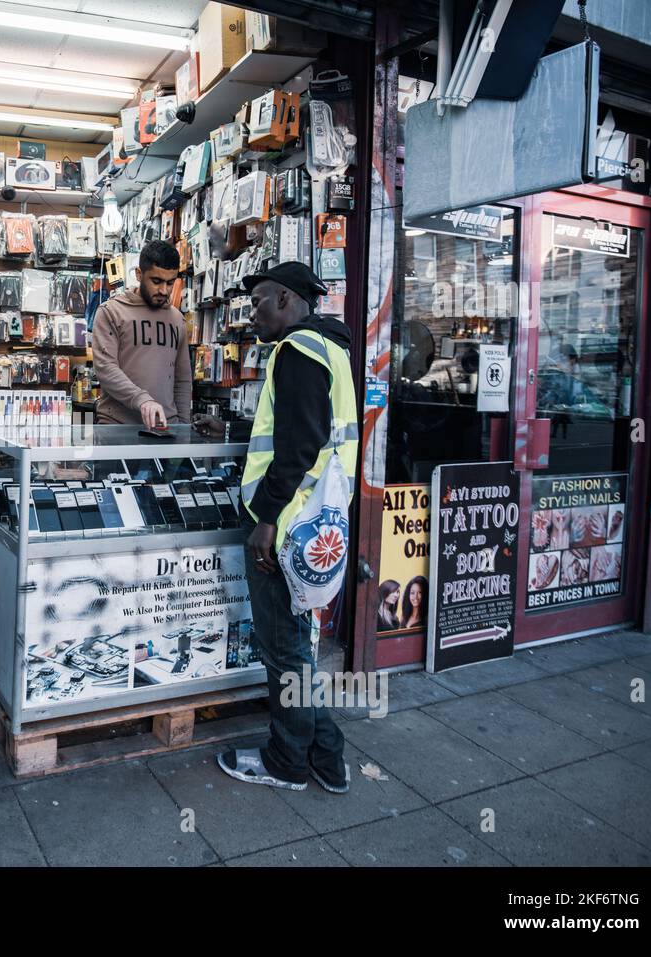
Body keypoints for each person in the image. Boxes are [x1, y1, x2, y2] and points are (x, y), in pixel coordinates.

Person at [216, 261, 358, 795]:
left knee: (284, 651)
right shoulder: (333, 349)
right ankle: (327, 755)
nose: (250, 314)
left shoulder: (296, 350)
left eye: (256, 303)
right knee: (295, 646)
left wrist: (268, 517)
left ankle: (287, 761)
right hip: (318, 523)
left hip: (288, 526)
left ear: (283, 299)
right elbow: (311, 429)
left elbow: (301, 444)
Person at [91, 239, 192, 429]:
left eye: (170, 283)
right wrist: (142, 400)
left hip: (165, 428)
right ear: (139, 274)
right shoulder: (111, 312)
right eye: (156, 281)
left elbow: (183, 379)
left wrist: (184, 429)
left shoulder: (177, 319)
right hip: (117, 427)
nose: (164, 290)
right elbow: (105, 368)